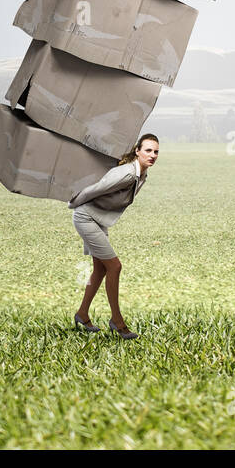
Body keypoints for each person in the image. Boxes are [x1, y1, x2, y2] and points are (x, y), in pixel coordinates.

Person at [68, 133, 158, 339]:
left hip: (98, 219)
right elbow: (98, 188)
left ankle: (82, 314)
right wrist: (74, 202)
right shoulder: (127, 173)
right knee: (115, 266)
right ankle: (117, 321)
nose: (152, 155)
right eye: (148, 150)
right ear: (137, 151)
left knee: (100, 269)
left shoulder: (141, 174)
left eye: (156, 152)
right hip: (86, 217)